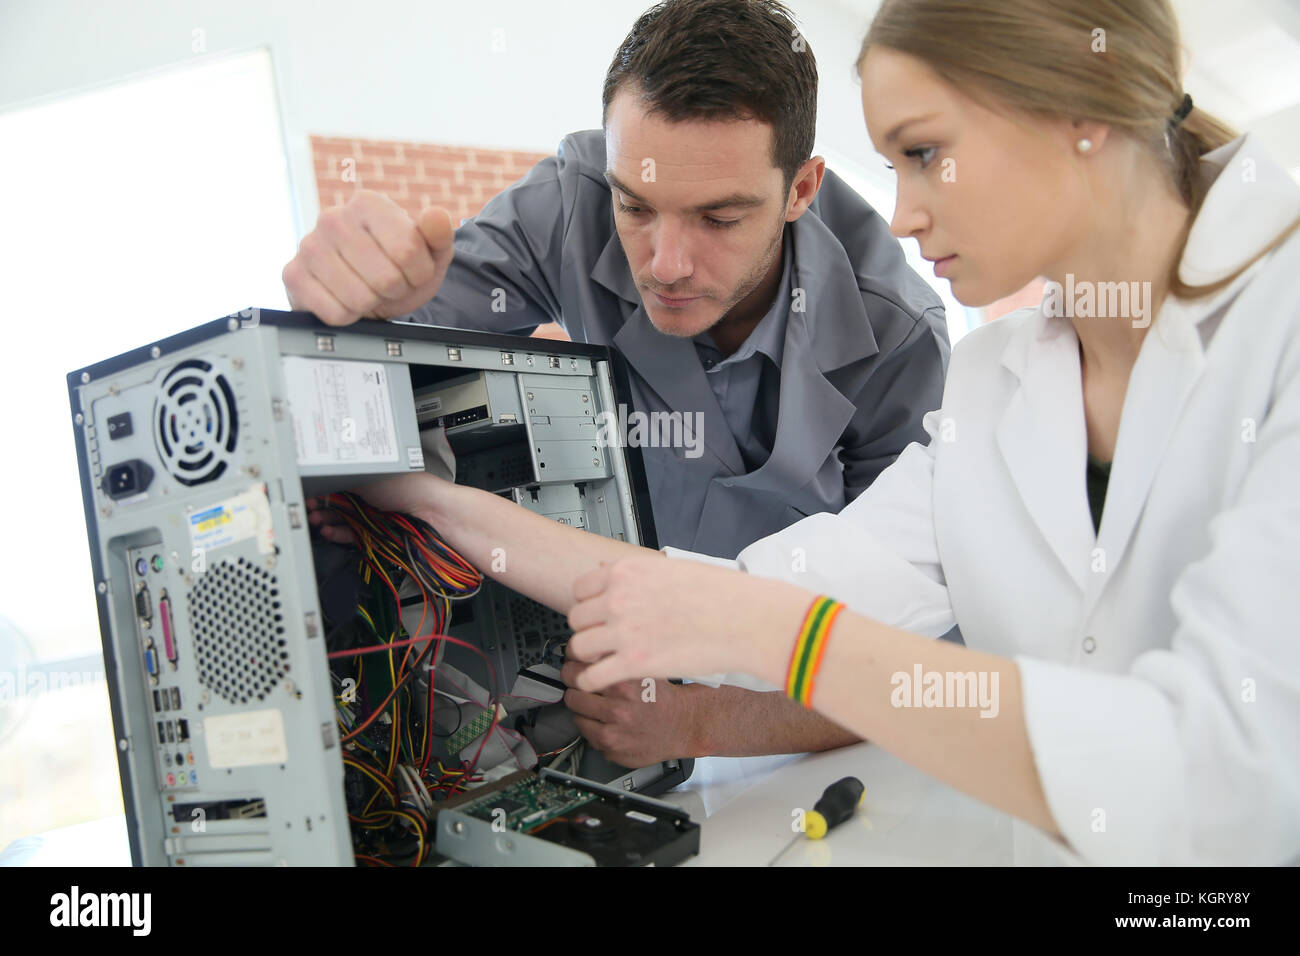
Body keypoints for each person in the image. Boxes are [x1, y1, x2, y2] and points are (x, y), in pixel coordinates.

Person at [550, 0, 1300, 865]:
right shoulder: (996, 379)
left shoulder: (1278, 325)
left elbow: (1224, 778)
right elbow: (809, 579)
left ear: (1083, 113)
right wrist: (423, 495)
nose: (901, 215)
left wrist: (780, 636)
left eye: (925, 154)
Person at [289, 1, 950, 766]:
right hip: (586, 695)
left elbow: (910, 659)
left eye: (719, 219)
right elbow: (368, 346)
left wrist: (710, 724)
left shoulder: (896, 338)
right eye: (635, 205)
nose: (665, 263)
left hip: (785, 736)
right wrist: (353, 295)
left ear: (801, 188)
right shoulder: (572, 202)